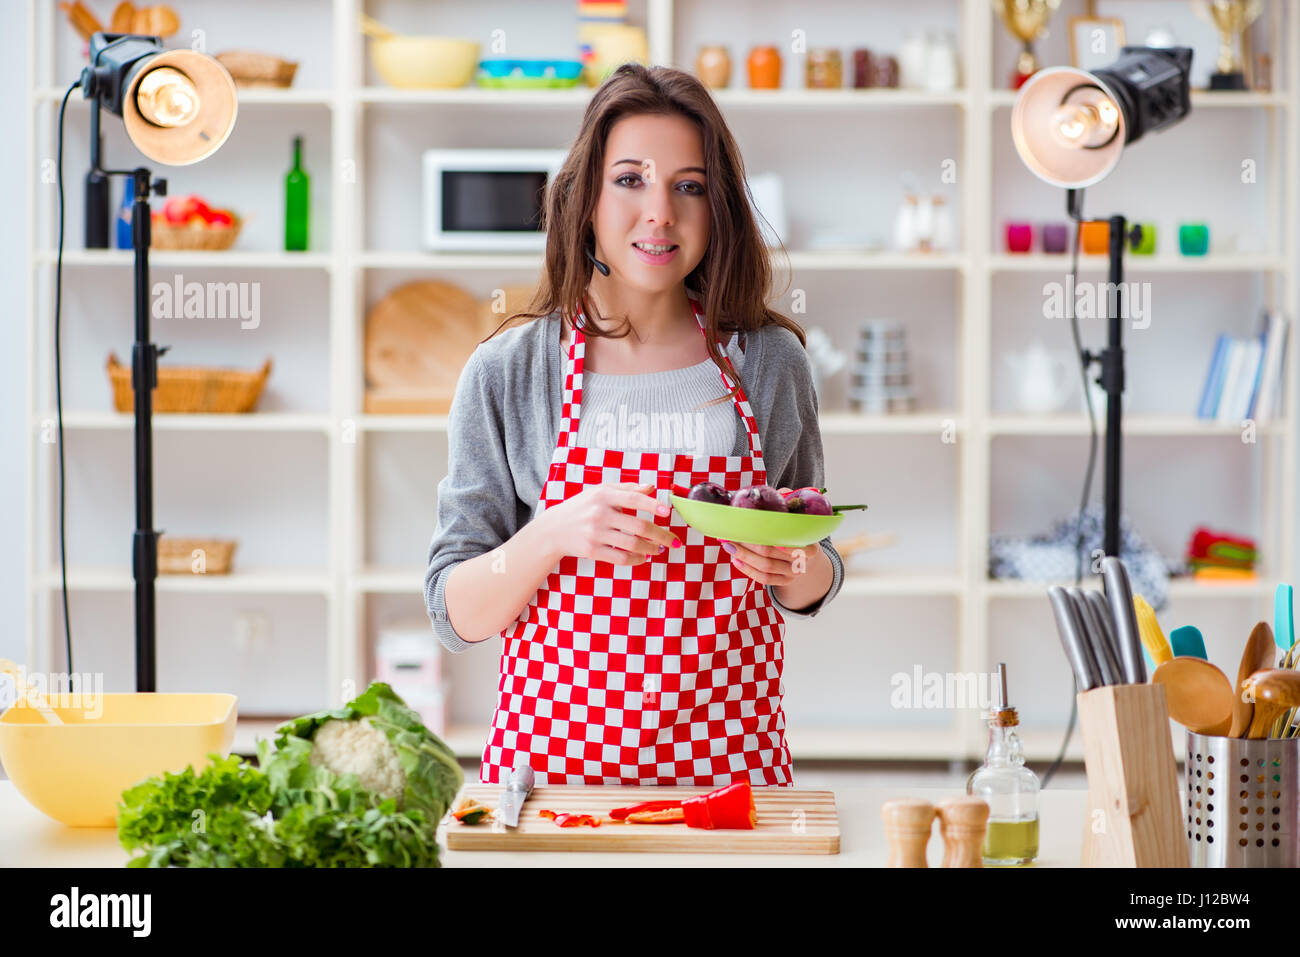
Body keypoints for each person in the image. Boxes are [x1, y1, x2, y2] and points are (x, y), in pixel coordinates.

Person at [424, 63, 843, 787]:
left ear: (719, 209)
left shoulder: (771, 363)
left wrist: (799, 566)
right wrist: (553, 532)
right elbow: (452, 610)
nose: (660, 213)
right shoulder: (508, 372)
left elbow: (814, 562)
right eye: (630, 180)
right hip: (551, 785)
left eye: (690, 186)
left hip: (727, 778)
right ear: (584, 199)